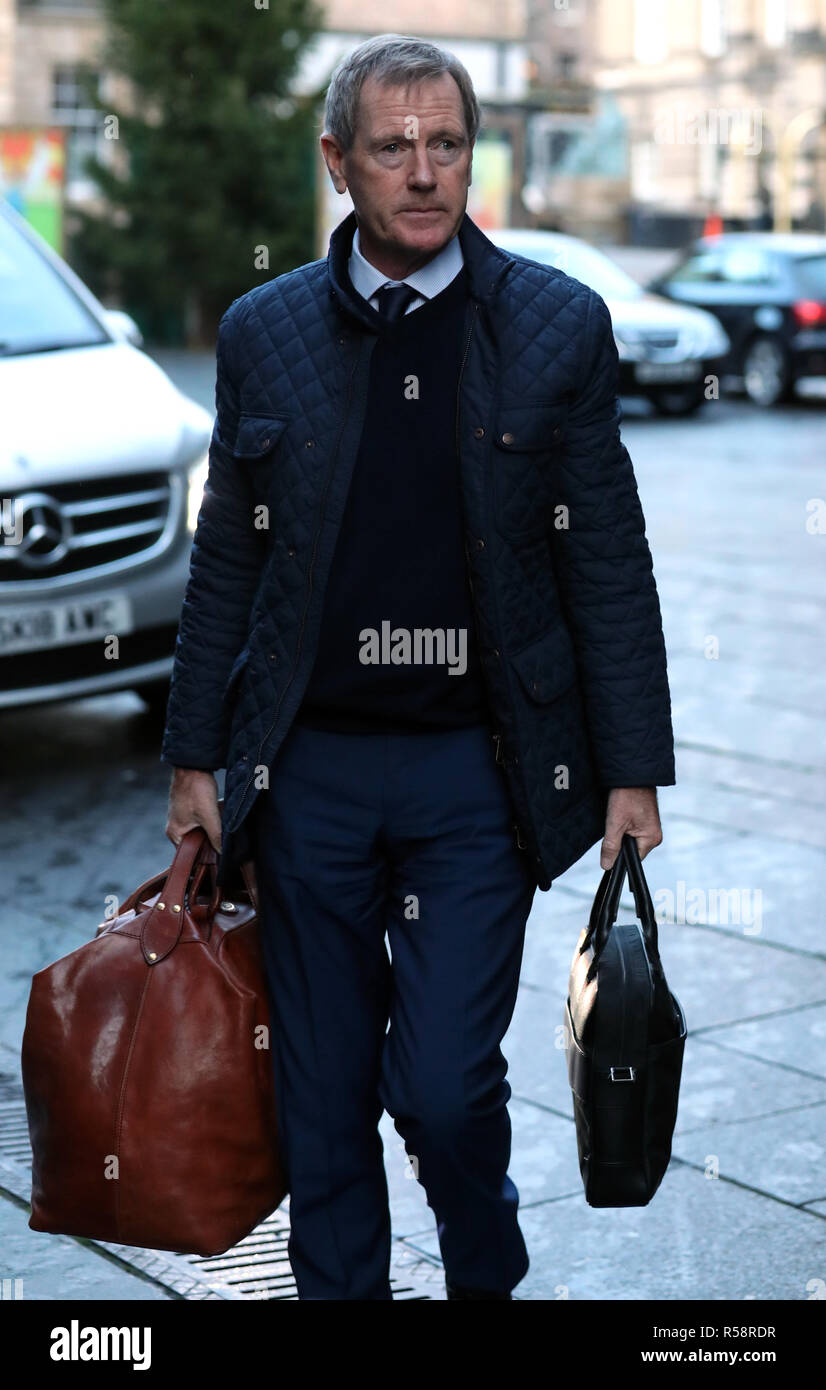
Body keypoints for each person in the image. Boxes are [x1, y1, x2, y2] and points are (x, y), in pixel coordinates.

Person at [161, 33, 675, 1301]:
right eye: (391, 147)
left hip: (474, 777)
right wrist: (191, 757)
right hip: (307, 775)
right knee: (323, 1104)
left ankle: (483, 1273)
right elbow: (227, 554)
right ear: (338, 162)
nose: (424, 171)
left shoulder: (555, 325)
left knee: (443, 1089)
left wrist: (633, 772)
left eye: (445, 143)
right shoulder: (263, 332)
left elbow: (604, 559)